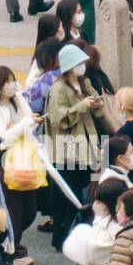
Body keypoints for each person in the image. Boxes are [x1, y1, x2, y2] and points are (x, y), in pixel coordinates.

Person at [44, 43, 108, 249]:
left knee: (86, 188)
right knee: (67, 194)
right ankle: (63, 237)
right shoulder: (58, 90)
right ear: (69, 66)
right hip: (66, 148)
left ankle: (80, 231)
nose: (82, 66)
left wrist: (97, 104)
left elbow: (98, 111)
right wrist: (82, 106)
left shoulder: (86, 82)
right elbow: (58, 119)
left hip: (87, 143)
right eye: (79, 62)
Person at [0, 66, 43, 264]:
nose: (13, 84)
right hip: (7, 162)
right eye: (8, 81)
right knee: (14, 208)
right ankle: (13, 251)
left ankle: (12, 244)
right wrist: (21, 126)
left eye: (13, 80)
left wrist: (17, 127)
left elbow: (31, 121)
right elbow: (3, 139)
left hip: (26, 159)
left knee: (30, 209)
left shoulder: (18, 100)